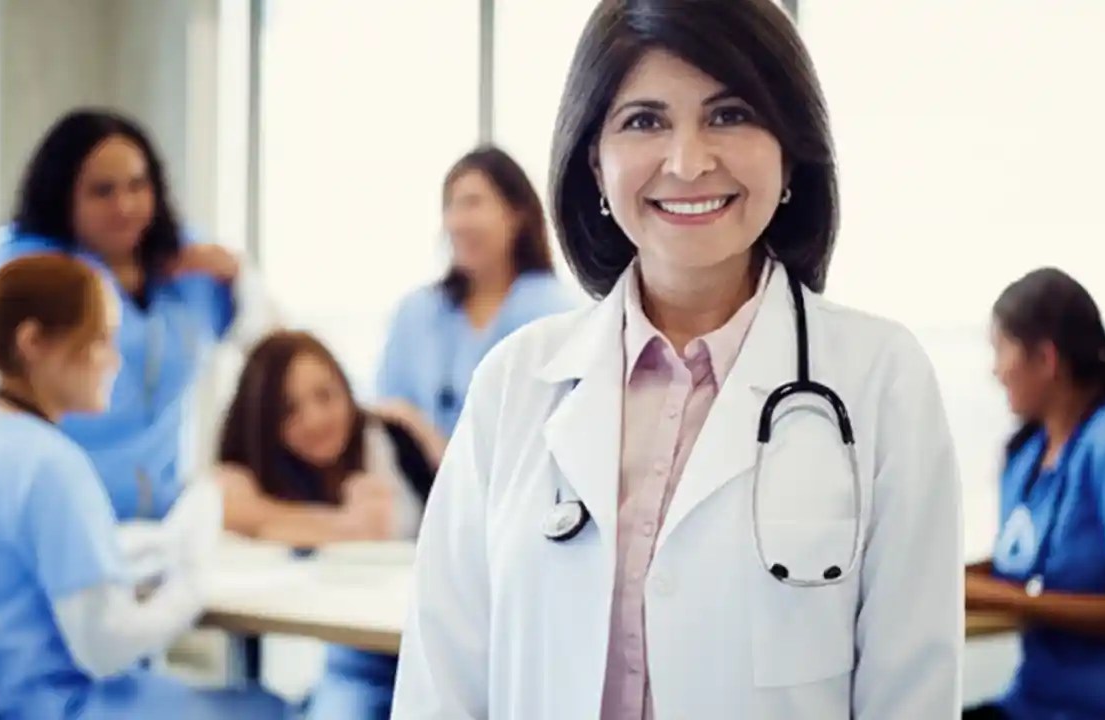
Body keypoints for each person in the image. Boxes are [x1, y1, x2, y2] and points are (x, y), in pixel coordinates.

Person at [391, 1, 962, 718]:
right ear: (593, 161)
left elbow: (911, 694)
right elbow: (440, 684)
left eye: (729, 115)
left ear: (792, 149)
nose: (689, 161)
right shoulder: (514, 383)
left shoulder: (882, 378)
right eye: (644, 120)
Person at [0, 255, 288, 720]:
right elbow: (106, 647)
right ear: (33, 343)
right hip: (56, 709)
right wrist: (192, 584)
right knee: (270, 708)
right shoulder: (47, 464)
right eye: (102, 339)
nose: (115, 360)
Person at [0, 109, 277, 521]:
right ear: (63, 196)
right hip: (51, 515)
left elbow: (272, 352)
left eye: (137, 185)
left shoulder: (190, 262)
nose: (124, 206)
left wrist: (240, 275)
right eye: (102, 191)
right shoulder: (26, 267)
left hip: (154, 524)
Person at [963, 268, 1105, 719]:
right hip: (1034, 704)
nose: (995, 369)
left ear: (1045, 358)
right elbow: (1013, 566)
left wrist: (987, 596)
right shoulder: (1028, 454)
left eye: (1000, 349)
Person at [214, 330, 440, 720]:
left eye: (325, 395)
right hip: (353, 657)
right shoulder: (255, 471)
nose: (314, 419)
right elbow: (227, 504)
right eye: (288, 411)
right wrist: (346, 525)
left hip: (432, 645)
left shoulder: (397, 432)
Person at [375, 145, 580, 441]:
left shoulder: (556, 313)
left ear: (517, 214)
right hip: (420, 483)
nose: (457, 223)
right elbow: (388, 410)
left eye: (472, 203)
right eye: (450, 206)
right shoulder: (417, 312)